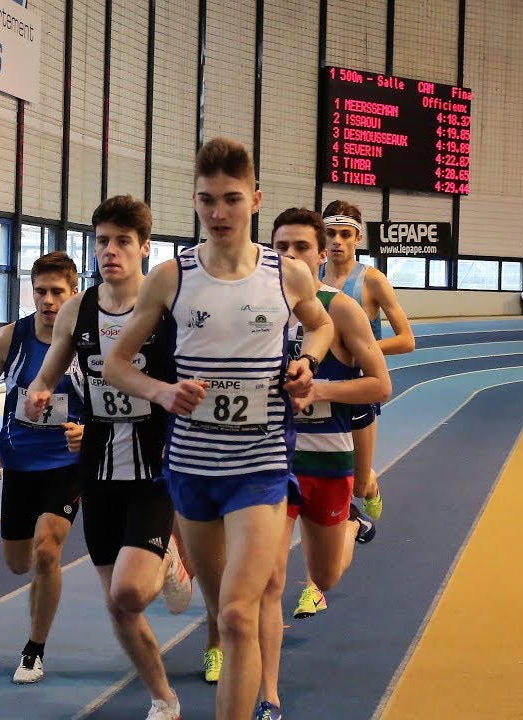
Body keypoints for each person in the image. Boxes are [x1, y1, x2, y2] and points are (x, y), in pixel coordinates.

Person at [102, 136, 334, 720]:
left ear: (255, 199)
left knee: (236, 615)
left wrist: (307, 360)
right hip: (192, 470)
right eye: (207, 200)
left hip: (259, 468)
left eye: (231, 199)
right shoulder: (170, 277)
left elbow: (322, 326)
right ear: (195, 201)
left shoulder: (287, 276)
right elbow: (116, 364)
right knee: (218, 611)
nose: (219, 213)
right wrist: (162, 391)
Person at [22, 195, 189, 720]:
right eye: (101, 242)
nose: (110, 251)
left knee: (130, 592)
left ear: (144, 247)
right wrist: (39, 390)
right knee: (118, 606)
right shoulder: (80, 309)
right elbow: (50, 369)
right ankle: (164, 699)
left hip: (154, 467)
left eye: (122, 241)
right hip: (97, 468)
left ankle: (167, 556)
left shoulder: (166, 308)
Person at [256, 208, 393, 719]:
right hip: (270, 462)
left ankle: (351, 524)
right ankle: (268, 697)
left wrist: (320, 389)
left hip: (328, 462)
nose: (290, 256)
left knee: (325, 577)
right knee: (270, 580)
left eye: (301, 247)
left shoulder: (341, 309)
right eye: (280, 248)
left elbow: (380, 386)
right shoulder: (254, 307)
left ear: (320, 255)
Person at [0, 251, 86, 685]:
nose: (48, 301)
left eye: (57, 292)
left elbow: (117, 398)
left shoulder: (88, 341)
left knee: (47, 550)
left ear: (74, 292)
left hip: (67, 463)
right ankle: (38, 598)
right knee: (19, 563)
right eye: (40, 291)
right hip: (19, 461)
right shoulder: (10, 338)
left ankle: (34, 650)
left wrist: (90, 432)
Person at [319, 202, 415, 525]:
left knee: (358, 485)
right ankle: (340, 526)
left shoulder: (372, 281)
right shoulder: (311, 276)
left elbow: (407, 340)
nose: (337, 241)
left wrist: (362, 351)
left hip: (360, 390)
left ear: (357, 238)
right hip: (320, 388)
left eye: (345, 234)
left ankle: (369, 487)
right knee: (320, 474)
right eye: (330, 233)